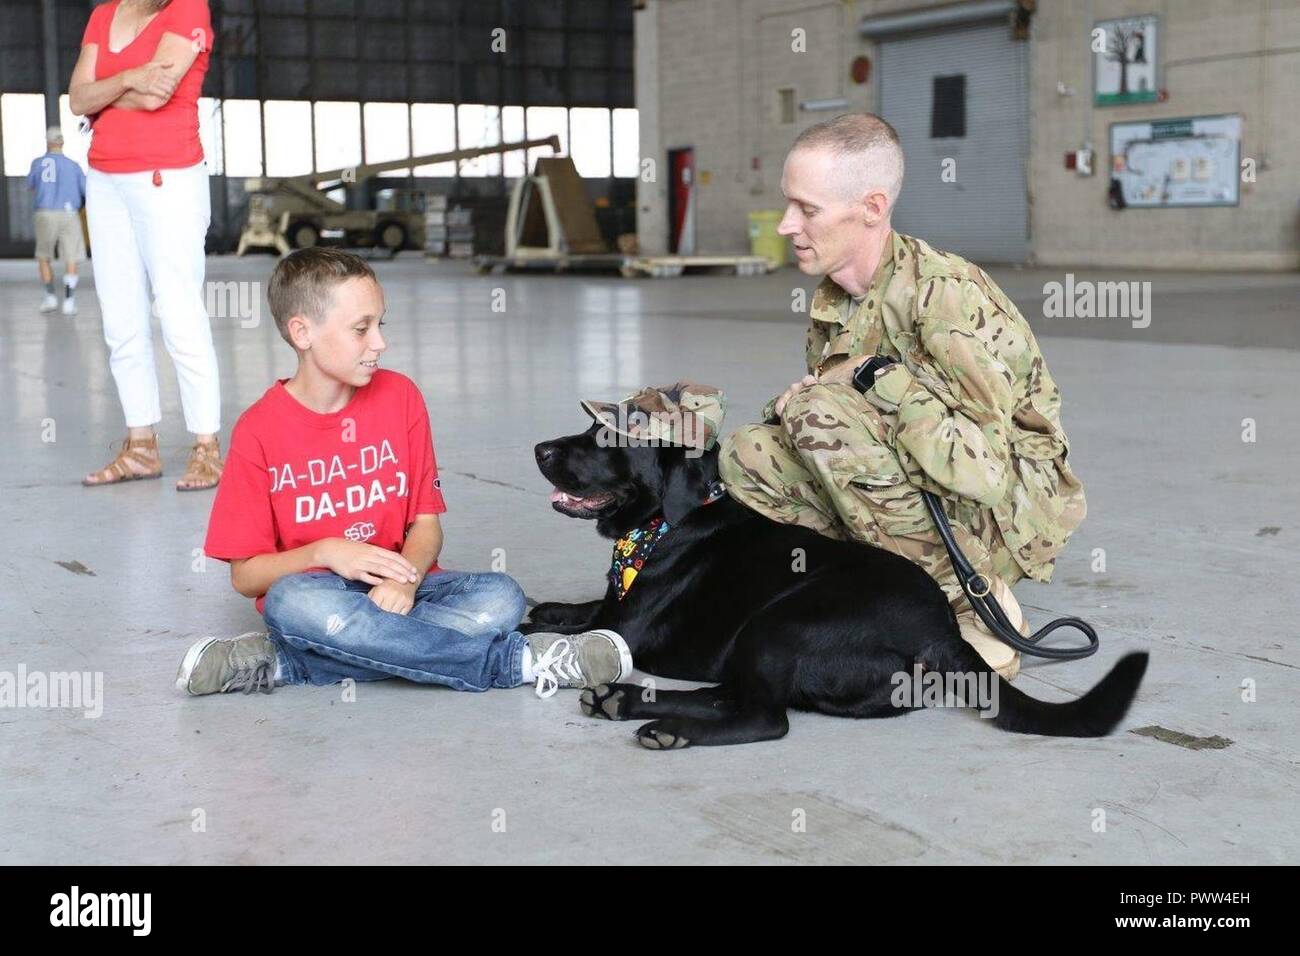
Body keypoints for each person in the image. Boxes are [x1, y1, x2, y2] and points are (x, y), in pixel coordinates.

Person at [719, 113, 1087, 680]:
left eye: (807, 209)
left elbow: (983, 470)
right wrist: (802, 403)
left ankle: (969, 599)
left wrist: (874, 382)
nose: (788, 225)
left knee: (822, 415)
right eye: (789, 205)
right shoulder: (837, 300)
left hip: (1005, 510)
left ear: (870, 207)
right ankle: (874, 582)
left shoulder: (943, 299)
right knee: (750, 453)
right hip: (922, 481)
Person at [176, 248, 633, 698]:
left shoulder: (401, 397)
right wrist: (327, 551)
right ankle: (521, 662)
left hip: (408, 586)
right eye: (361, 329)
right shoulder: (259, 430)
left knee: (502, 598)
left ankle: (288, 659)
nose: (379, 342)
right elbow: (247, 577)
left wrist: (405, 578)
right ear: (302, 332)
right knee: (290, 603)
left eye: (380, 324)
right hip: (318, 593)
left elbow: (427, 526)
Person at [68, 0, 224, 491]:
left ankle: (206, 447)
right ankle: (140, 446)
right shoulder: (102, 14)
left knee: (178, 312)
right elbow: (76, 98)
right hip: (106, 180)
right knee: (119, 318)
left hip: (169, 178)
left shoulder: (188, 8)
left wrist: (105, 93)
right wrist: (131, 78)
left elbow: (158, 98)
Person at [26, 126, 87, 316]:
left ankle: (50, 297)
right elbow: (85, 192)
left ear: (48, 142)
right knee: (71, 256)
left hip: (45, 212)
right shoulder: (73, 165)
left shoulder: (38, 163)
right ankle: (69, 300)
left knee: (43, 255)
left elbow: (31, 186)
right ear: (62, 142)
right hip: (69, 213)